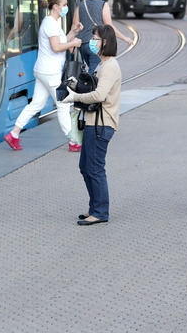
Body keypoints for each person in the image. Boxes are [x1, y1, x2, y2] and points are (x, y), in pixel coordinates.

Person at [4, 0, 83, 152]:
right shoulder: (51, 24)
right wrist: (74, 42)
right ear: (56, 6)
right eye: (64, 5)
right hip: (51, 72)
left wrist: (73, 32)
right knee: (62, 104)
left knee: (36, 104)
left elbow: (62, 41)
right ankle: (73, 141)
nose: (66, 7)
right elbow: (57, 47)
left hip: (43, 71)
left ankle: (14, 134)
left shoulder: (51, 23)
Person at [62, 24, 121, 225]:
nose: (92, 42)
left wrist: (74, 97)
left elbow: (99, 95)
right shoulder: (102, 64)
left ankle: (100, 212)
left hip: (100, 125)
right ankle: (94, 208)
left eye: (95, 38)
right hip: (93, 122)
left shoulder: (110, 66)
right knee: (86, 166)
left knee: (94, 168)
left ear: (104, 42)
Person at [71, 0, 134, 73]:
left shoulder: (81, 4)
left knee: (92, 71)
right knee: (95, 73)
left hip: (83, 45)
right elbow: (109, 26)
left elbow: (75, 25)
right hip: (96, 44)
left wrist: (71, 44)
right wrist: (124, 38)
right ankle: (94, 87)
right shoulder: (103, 5)